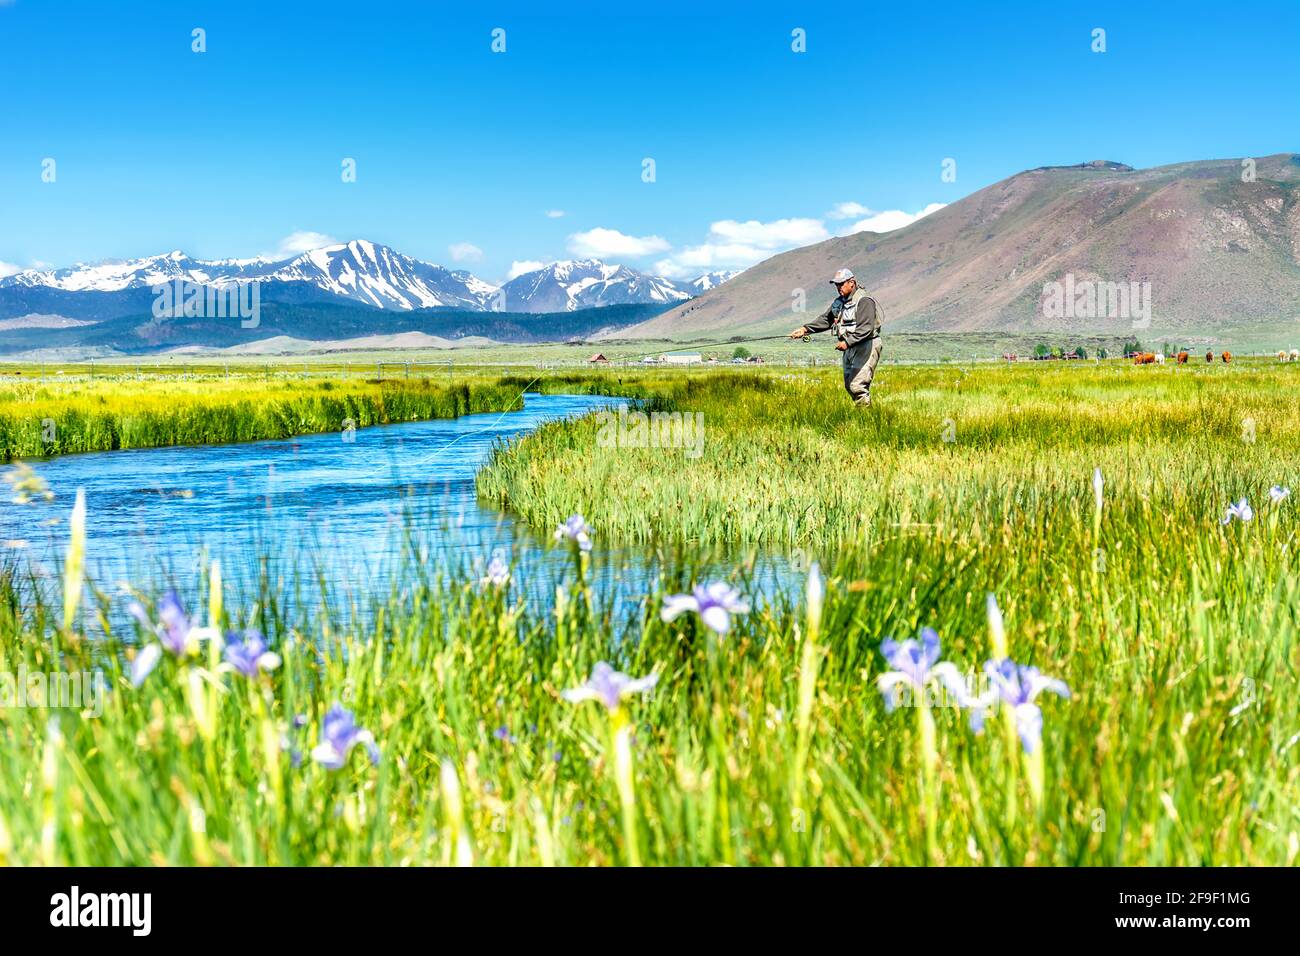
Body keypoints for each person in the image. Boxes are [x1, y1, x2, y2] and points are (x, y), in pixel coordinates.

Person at [790, 268, 882, 406]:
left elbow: (866, 329)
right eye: (836, 284)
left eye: (841, 283)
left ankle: (865, 420)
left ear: (852, 282)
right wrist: (805, 329)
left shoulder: (864, 300)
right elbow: (826, 320)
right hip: (849, 347)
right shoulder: (839, 302)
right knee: (849, 384)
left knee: (857, 386)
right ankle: (864, 412)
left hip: (866, 346)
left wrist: (847, 342)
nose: (838, 287)